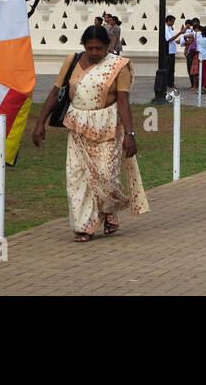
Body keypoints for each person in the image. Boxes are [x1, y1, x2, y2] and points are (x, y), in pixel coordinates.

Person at [32, 25, 149, 242]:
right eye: (90, 48)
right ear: (83, 45)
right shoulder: (72, 61)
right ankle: (84, 226)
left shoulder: (119, 66)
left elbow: (123, 101)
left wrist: (130, 134)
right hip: (78, 126)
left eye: (100, 48)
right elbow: (55, 92)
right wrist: (40, 123)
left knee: (106, 177)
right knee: (78, 178)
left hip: (109, 126)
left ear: (109, 46)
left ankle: (109, 211)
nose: (95, 53)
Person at [163, 14, 179, 88]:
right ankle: (168, 82)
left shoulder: (169, 28)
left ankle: (170, 82)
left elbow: (172, 39)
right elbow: (169, 39)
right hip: (168, 51)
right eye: (172, 22)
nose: (173, 23)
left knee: (171, 68)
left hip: (172, 51)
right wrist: (180, 33)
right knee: (168, 68)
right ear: (168, 21)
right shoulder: (166, 29)